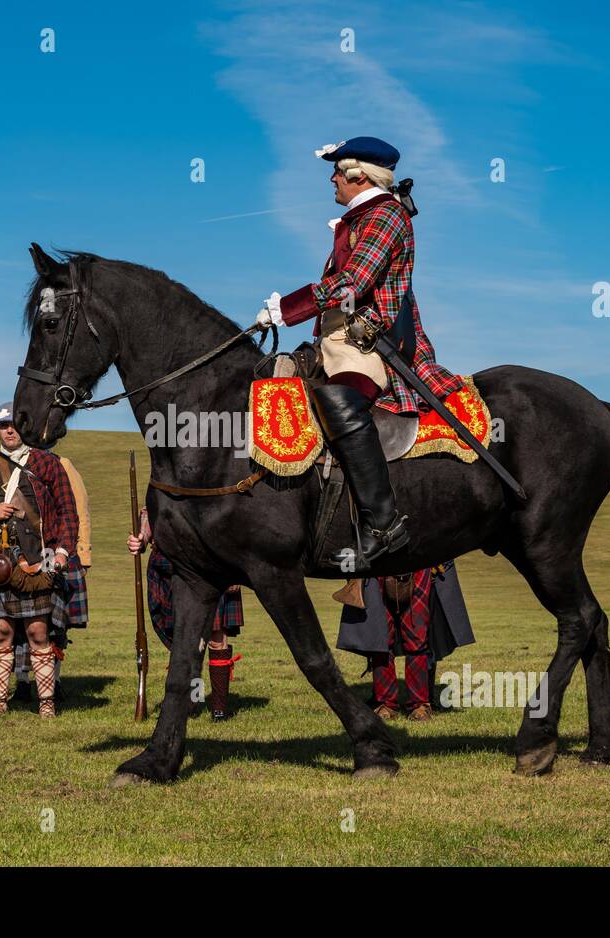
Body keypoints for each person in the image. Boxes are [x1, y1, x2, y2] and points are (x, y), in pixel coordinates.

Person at [256, 136, 461, 569]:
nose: (331, 179)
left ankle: (384, 524)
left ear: (358, 176)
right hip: (333, 341)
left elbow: (354, 283)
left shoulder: (386, 215)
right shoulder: (359, 218)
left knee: (340, 401)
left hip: (367, 345)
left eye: (336, 172)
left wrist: (285, 309)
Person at [0, 402, 79, 718]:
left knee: (38, 631)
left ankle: (46, 704)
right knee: (1, 633)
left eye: (13, 425)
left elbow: (67, 512)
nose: (8, 431)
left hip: (39, 562)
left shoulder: (47, 464)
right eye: (2, 426)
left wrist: (62, 551)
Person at [128, 507, 244, 720]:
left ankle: (218, 708)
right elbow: (150, 509)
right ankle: (193, 701)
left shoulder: (220, 476)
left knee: (216, 639)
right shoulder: (169, 475)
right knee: (185, 643)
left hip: (214, 565)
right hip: (171, 567)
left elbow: (236, 517)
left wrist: (236, 565)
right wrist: (142, 537)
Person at [16, 446, 89, 703]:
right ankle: (21, 682)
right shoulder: (7, 462)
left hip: (58, 551)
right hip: (22, 554)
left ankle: (54, 683)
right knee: (19, 622)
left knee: (57, 625)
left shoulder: (62, 464)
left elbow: (78, 511)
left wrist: (83, 552)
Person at [337, 574, 435, 720]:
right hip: (377, 569)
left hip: (417, 564)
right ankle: (385, 703)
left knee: (417, 637)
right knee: (381, 637)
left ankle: (420, 704)